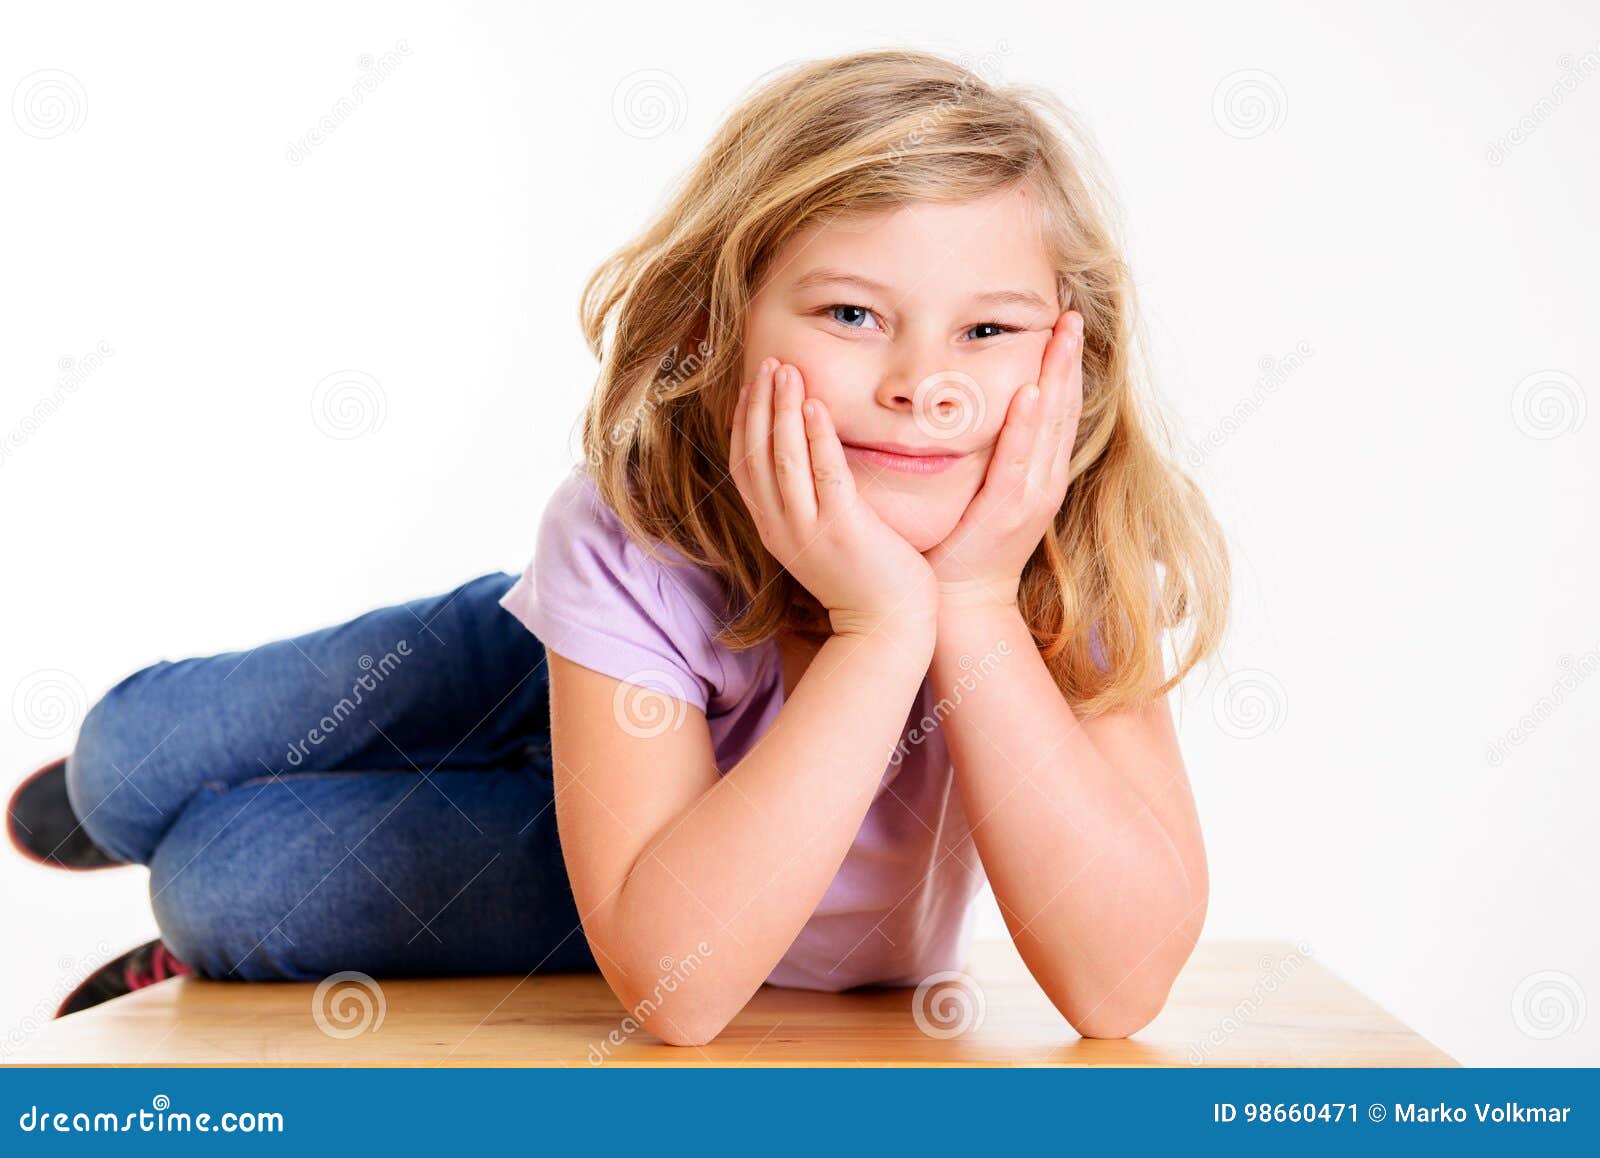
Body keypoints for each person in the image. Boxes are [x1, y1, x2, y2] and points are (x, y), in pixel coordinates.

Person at [10, 47, 1229, 1045]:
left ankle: (201, 911)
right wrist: (875, 621)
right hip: (574, 653)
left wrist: (943, 609)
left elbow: (1113, 993)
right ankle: (132, 781)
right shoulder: (633, 529)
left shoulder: (1071, 555)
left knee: (228, 883)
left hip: (668, 855)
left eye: (987, 328)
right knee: (132, 764)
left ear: (1070, 356)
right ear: (722, 323)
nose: (923, 384)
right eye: (853, 314)